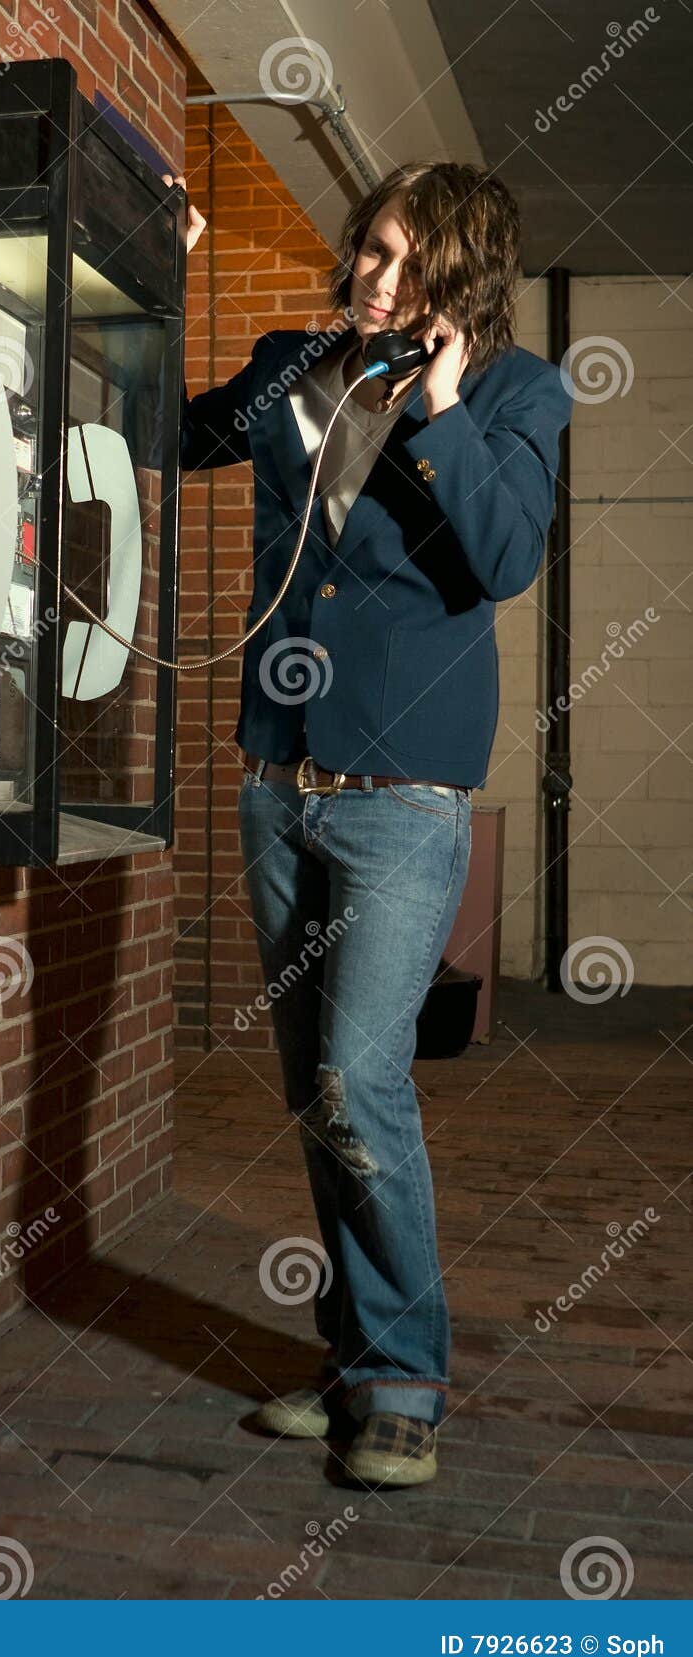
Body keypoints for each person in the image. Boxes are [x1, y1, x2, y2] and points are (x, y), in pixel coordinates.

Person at [164, 160, 573, 1487]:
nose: (369, 275)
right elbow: (177, 435)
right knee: (313, 1093)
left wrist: (443, 406)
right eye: (366, 250)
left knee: (359, 1077)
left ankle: (405, 1379)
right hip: (279, 782)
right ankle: (352, 1362)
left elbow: (506, 558)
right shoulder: (295, 365)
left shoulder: (517, 395)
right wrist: (152, 275)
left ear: (457, 275)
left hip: (403, 800)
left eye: (400, 259)